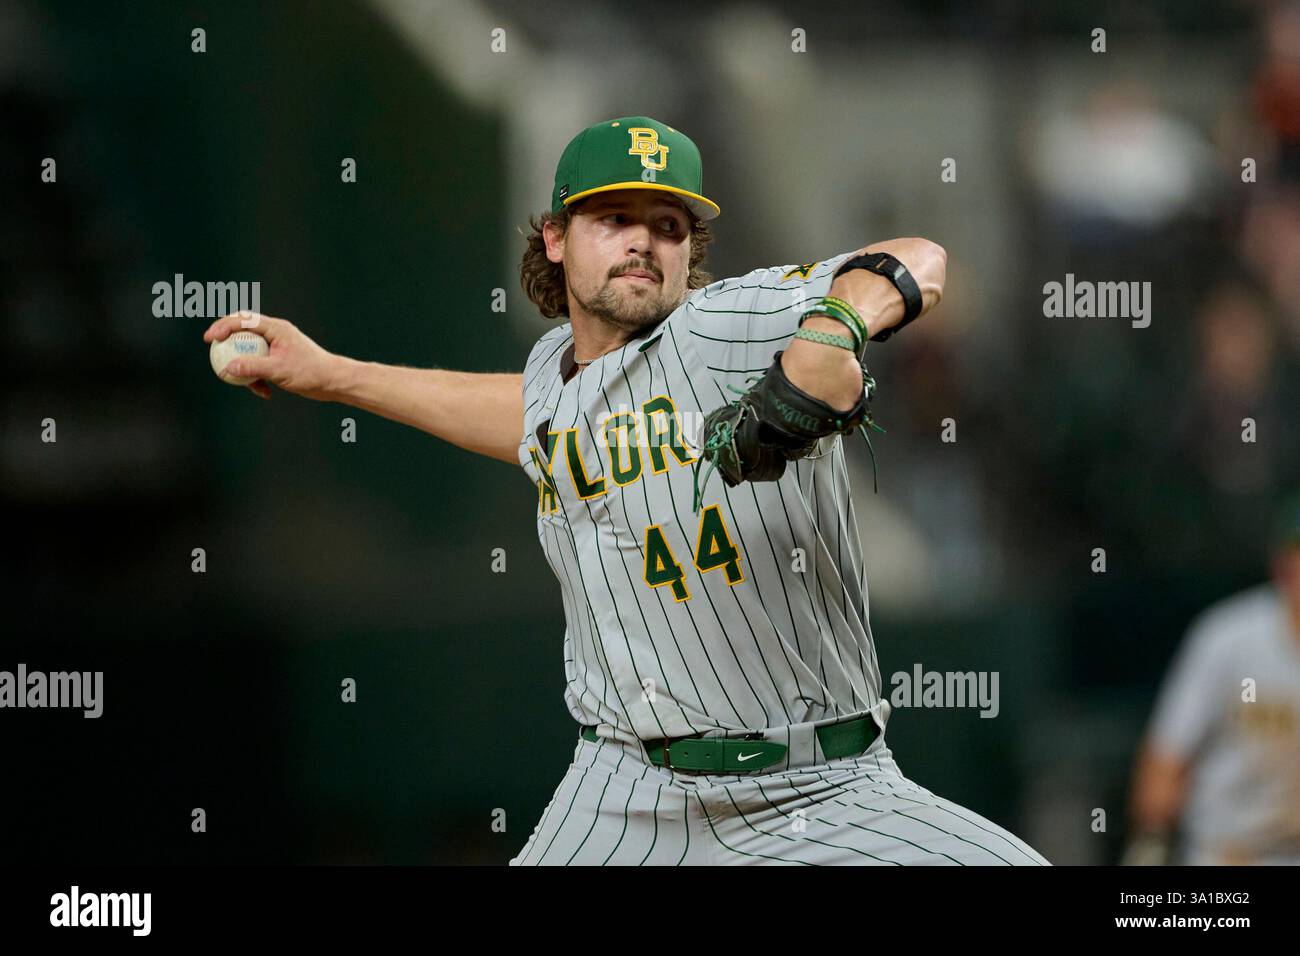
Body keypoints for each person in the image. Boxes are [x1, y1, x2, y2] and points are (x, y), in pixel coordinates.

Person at [203, 115, 1048, 865]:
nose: (644, 240)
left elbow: (919, 261)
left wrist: (835, 325)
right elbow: (524, 420)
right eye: (614, 219)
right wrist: (330, 374)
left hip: (819, 789)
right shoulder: (551, 375)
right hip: (624, 792)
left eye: (669, 224)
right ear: (557, 239)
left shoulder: (728, 322)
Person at [1126, 495, 1300, 865]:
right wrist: (1150, 845)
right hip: (1230, 857)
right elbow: (1164, 764)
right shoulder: (1229, 638)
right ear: (1281, 566)